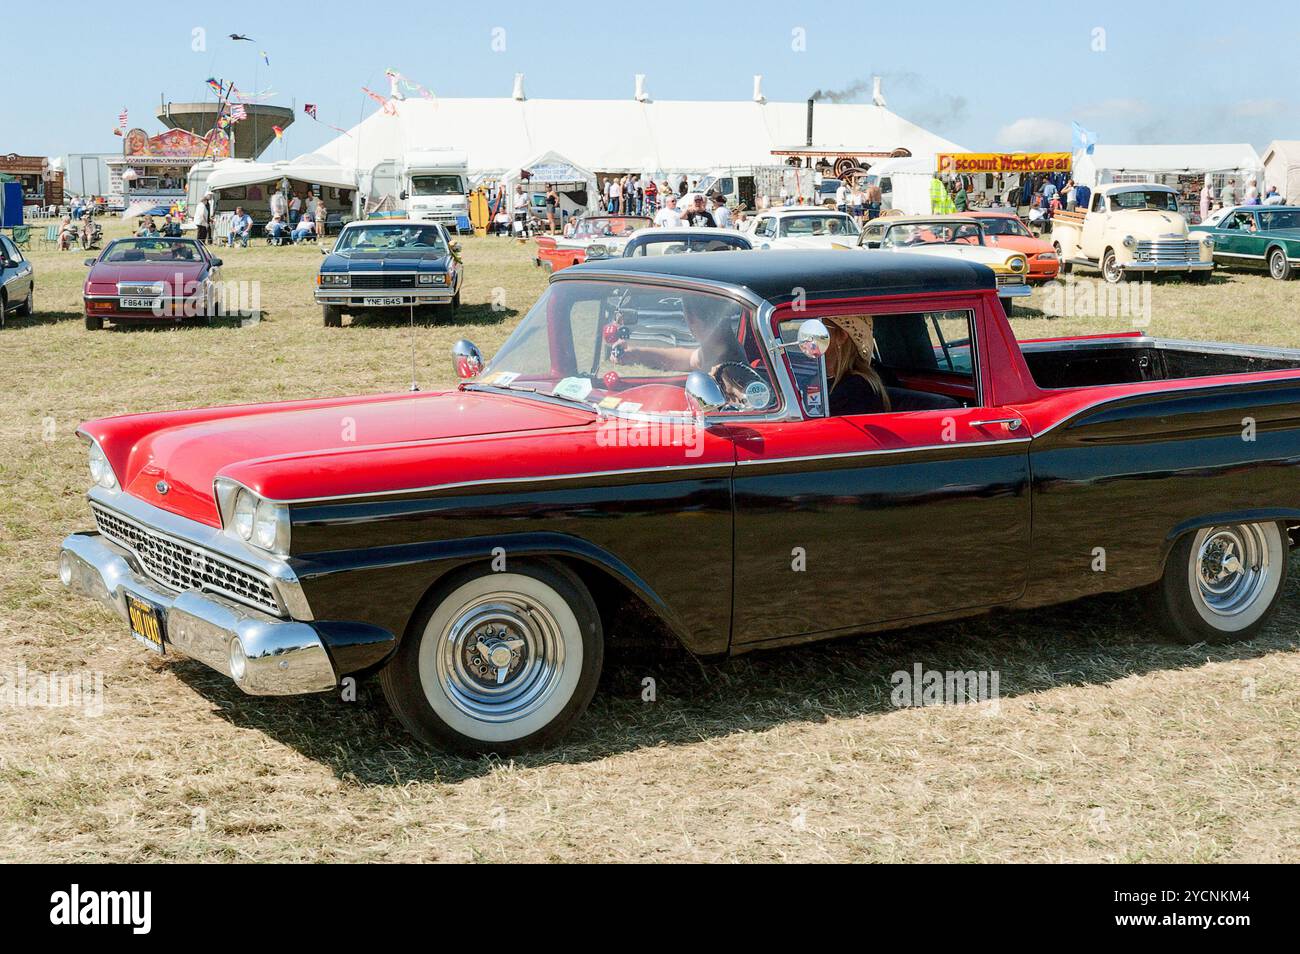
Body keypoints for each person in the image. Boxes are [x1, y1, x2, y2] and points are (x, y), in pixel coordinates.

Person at [824, 316, 890, 416]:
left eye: (818, 330)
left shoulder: (856, 388)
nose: (808, 338)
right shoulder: (823, 377)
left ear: (841, 336)